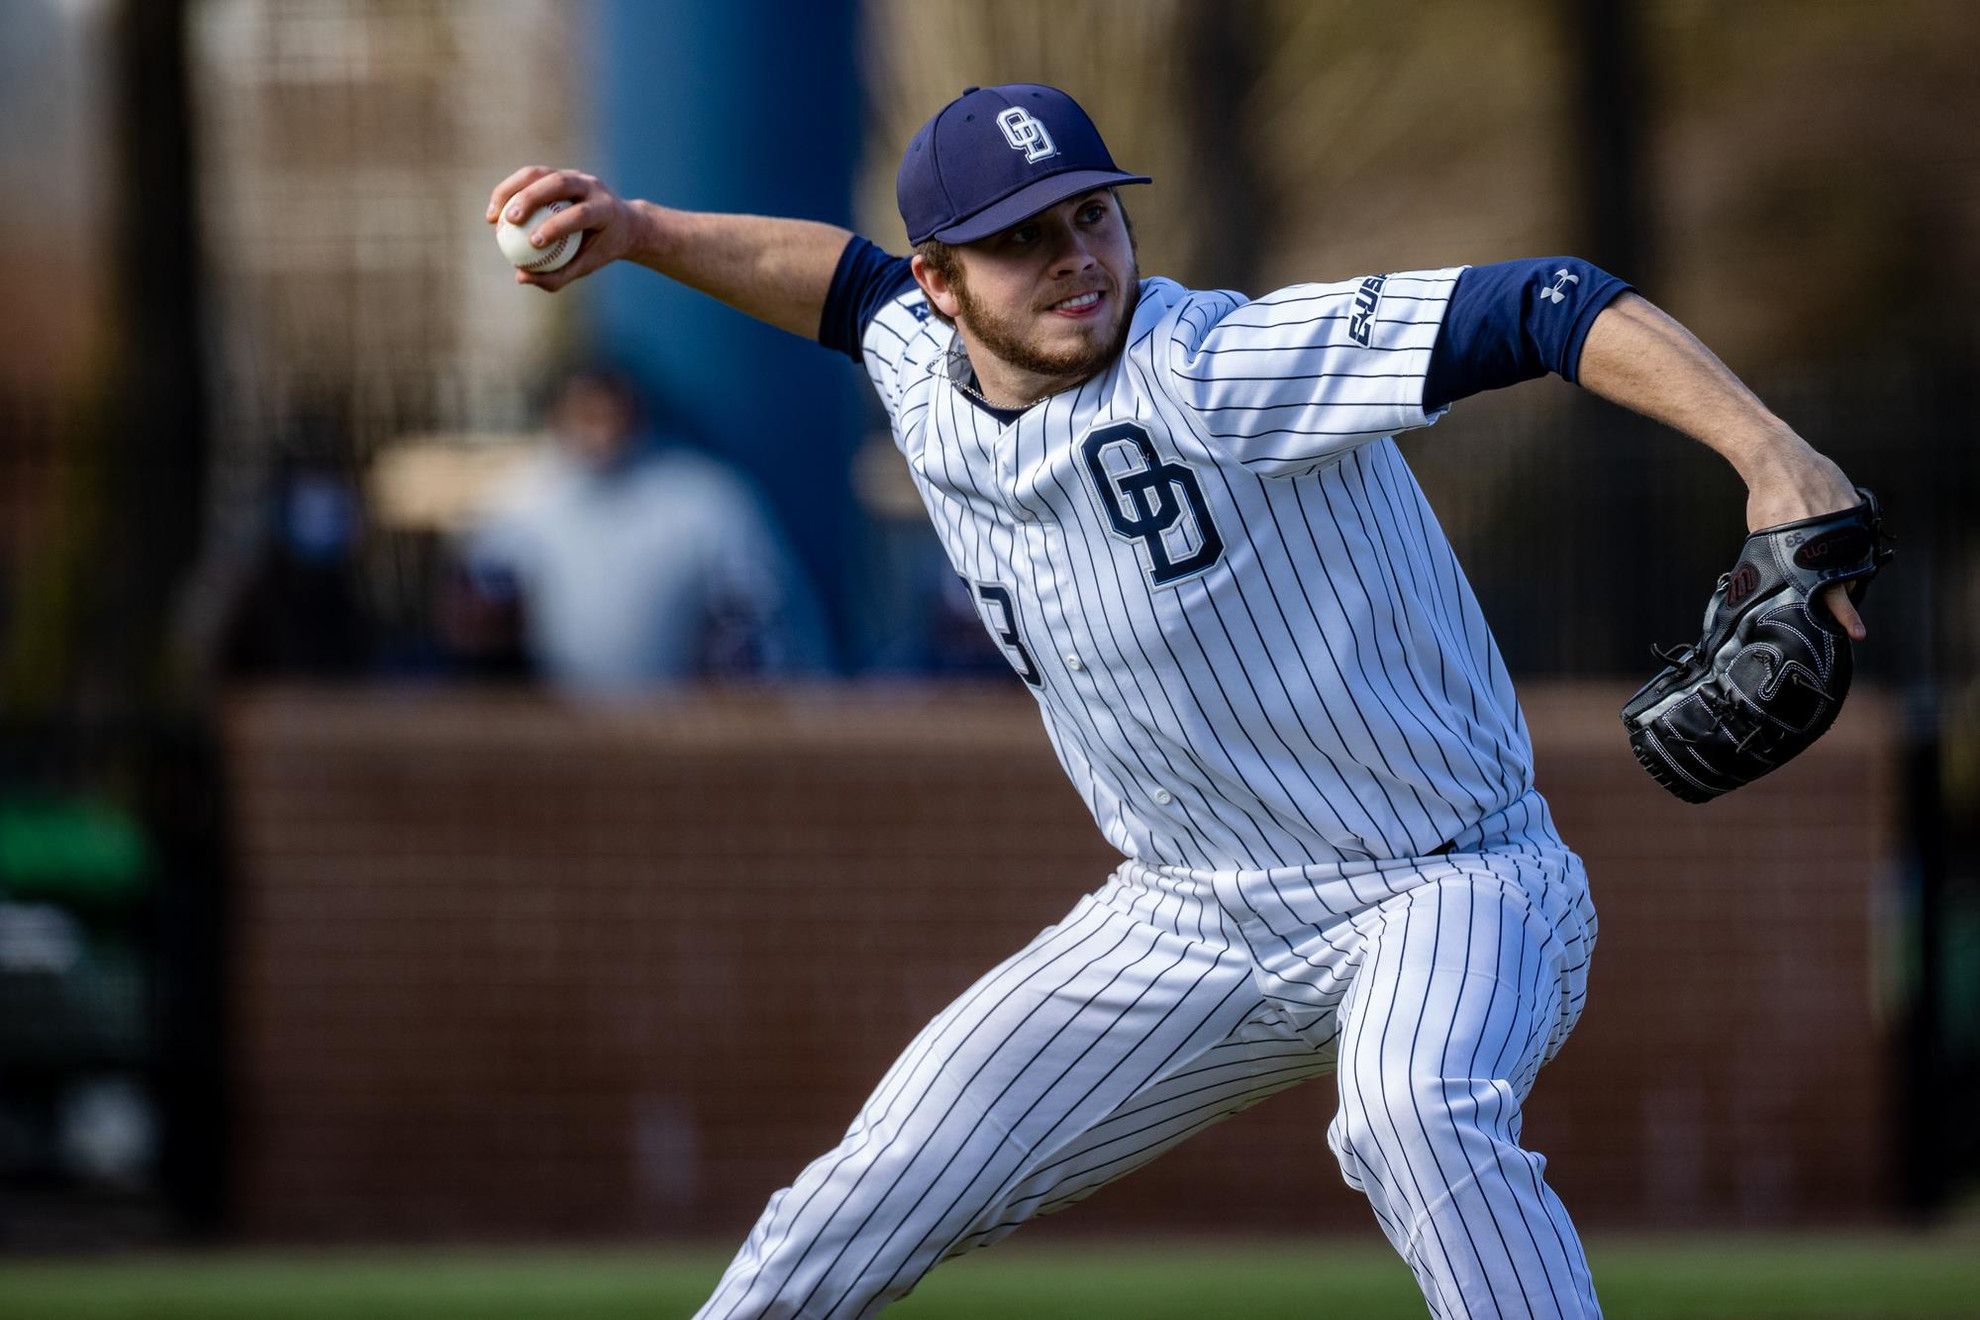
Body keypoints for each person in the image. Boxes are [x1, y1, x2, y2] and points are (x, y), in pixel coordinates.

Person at [486, 83, 1866, 1318]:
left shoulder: (1222, 368)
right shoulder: (919, 361)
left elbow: (1550, 303)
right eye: (1026, 237)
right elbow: (842, 289)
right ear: (946, 283)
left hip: (1445, 884)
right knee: (859, 1197)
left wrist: (1776, 457)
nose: (1077, 257)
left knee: (1413, 1119)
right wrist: (644, 228)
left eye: (1092, 215)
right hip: (1186, 909)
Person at [451, 366, 827, 694]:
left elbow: (757, 616)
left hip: (682, 720)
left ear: (636, 414)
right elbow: (470, 611)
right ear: (558, 417)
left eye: (607, 414)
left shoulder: (701, 498)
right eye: (585, 414)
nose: (598, 430)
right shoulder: (521, 500)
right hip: (553, 717)